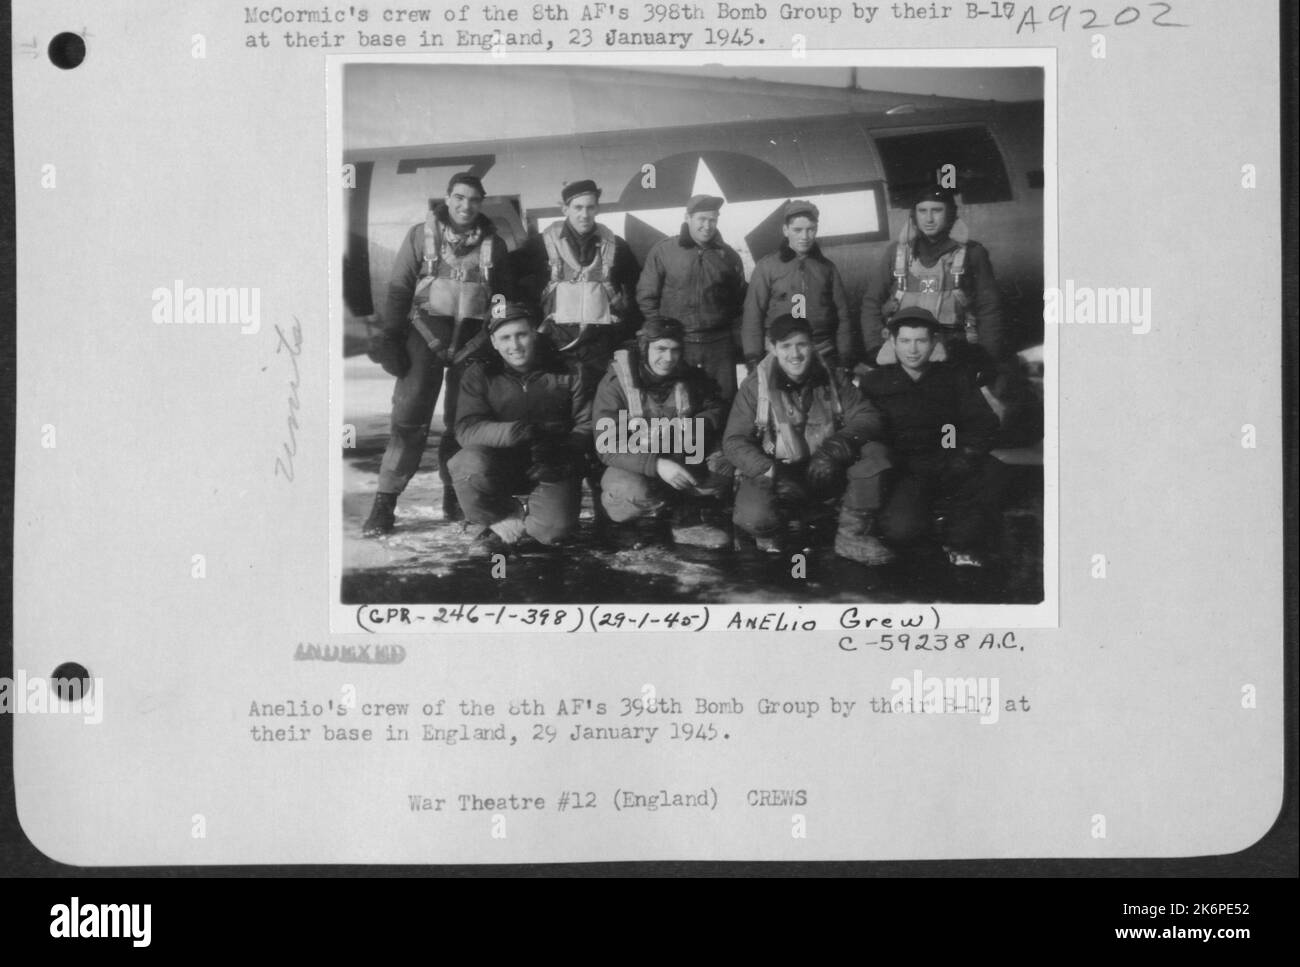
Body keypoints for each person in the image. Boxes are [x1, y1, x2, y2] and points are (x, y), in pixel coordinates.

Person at [363, 172, 513, 535]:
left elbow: (502, 299)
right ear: (447, 198)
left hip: (472, 343)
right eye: (459, 198)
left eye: (474, 200)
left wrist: (498, 345)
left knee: (462, 423)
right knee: (409, 419)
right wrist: (391, 337)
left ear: (481, 203)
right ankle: (385, 502)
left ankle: (455, 493)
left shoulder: (495, 245)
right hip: (424, 335)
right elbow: (399, 288)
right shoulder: (420, 235)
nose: (466, 206)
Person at [519, 179, 642, 530]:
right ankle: (556, 503)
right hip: (556, 353)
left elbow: (636, 296)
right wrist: (528, 321)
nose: (585, 214)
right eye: (577, 207)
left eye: (591, 207)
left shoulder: (616, 246)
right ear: (564, 210)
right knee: (560, 425)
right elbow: (508, 280)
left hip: (600, 352)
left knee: (602, 425)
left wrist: (625, 326)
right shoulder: (540, 246)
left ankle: (606, 506)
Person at [723, 314, 894, 564]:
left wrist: (835, 449)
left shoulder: (833, 377)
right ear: (772, 347)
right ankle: (774, 530)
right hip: (777, 470)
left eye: (801, 344)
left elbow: (867, 416)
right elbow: (734, 441)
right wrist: (770, 471)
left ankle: (851, 535)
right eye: (786, 346)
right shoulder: (754, 387)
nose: (795, 354)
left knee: (875, 453)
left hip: (825, 465)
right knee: (756, 516)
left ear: (812, 345)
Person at [859, 307, 1009, 567]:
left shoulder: (955, 377)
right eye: (905, 341)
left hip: (951, 463)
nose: (913, 349)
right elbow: (865, 429)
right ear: (893, 342)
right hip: (906, 470)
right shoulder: (874, 382)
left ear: (934, 341)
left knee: (993, 471)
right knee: (901, 530)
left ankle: (959, 540)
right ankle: (926, 521)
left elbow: (984, 422)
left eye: (921, 341)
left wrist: (967, 453)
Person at [448, 302, 591, 553]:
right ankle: (501, 517)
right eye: (505, 338)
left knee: (552, 532)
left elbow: (587, 424)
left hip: (552, 463)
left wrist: (564, 453)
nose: (514, 346)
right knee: (465, 464)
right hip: (499, 462)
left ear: (534, 332)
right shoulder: (479, 374)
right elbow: (467, 428)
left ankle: (536, 522)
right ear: (493, 341)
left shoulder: (569, 370)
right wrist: (518, 431)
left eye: (521, 335)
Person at [592, 318, 731, 549]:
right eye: (661, 349)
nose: (668, 358)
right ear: (645, 348)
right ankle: (629, 523)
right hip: (636, 463)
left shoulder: (690, 376)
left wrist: (697, 426)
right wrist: (657, 465)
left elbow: (717, 408)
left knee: (722, 467)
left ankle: (684, 516)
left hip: (680, 454)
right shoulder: (615, 384)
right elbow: (608, 446)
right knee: (628, 494)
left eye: (675, 350)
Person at [859, 184, 1005, 382]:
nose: (928, 219)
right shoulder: (897, 253)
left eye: (937, 210)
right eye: (922, 211)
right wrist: (874, 346)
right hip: (906, 352)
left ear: (950, 214)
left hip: (954, 348)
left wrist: (988, 356)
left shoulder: (972, 254)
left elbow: (989, 308)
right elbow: (871, 302)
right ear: (914, 215)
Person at [636, 194, 746, 400]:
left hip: (718, 345)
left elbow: (739, 301)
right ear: (687, 218)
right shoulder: (664, 251)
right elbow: (647, 296)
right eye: (701, 219)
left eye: (712, 220)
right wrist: (662, 334)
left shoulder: (728, 256)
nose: (707, 226)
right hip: (679, 343)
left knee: (723, 401)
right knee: (681, 401)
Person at [741, 200, 854, 374]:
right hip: (781, 352)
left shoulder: (827, 268)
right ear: (785, 230)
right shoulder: (767, 267)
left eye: (810, 229)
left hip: (821, 350)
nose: (804, 236)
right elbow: (753, 314)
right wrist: (753, 357)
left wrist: (845, 355)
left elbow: (843, 315)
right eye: (797, 230)